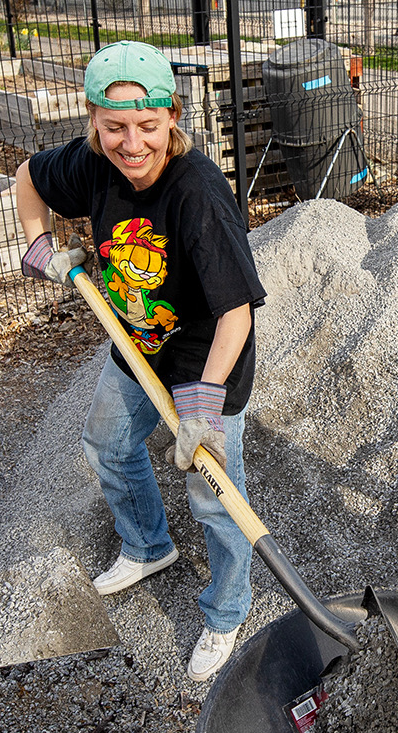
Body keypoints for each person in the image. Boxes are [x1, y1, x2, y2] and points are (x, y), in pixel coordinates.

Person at [13, 41, 266, 683]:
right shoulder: (93, 164)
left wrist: (203, 405)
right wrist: (40, 247)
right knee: (108, 442)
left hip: (206, 362)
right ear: (94, 121)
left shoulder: (197, 192)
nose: (132, 144)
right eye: (115, 127)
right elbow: (27, 177)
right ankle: (149, 545)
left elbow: (236, 313)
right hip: (136, 344)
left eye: (147, 125)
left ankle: (227, 612)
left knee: (215, 495)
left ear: (172, 116)